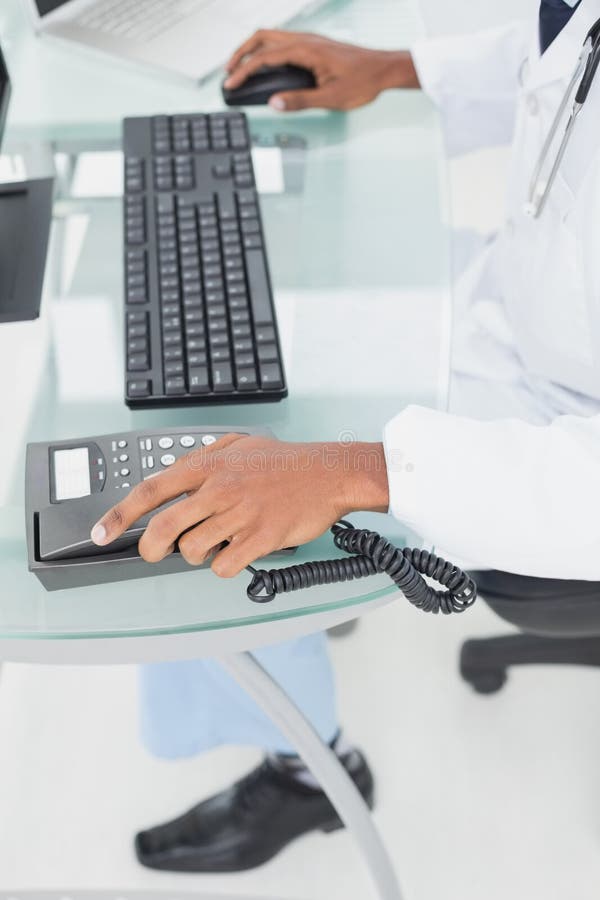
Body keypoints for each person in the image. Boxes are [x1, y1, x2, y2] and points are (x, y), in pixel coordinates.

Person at [93, 0, 600, 872]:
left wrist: (355, 470)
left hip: (556, 439)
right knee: (243, 332)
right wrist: (398, 65)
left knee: (213, 483)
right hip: (519, 306)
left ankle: (307, 772)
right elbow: (562, 45)